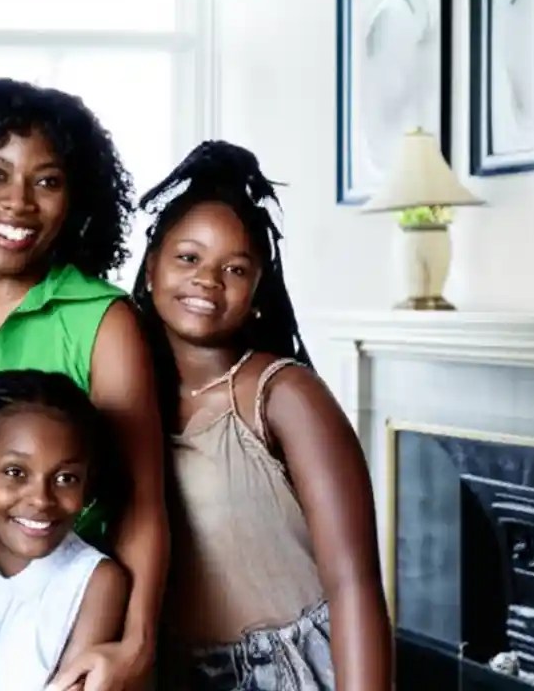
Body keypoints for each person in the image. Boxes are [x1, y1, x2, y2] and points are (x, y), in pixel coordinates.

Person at [0, 78, 167, 689]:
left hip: (63, 627)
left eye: (47, 181)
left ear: (75, 200)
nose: (18, 202)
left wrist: (136, 643)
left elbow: (142, 502)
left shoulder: (102, 319)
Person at [130, 141, 391, 689]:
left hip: (294, 669)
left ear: (256, 294)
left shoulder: (283, 395)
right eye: (188, 257)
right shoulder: (131, 397)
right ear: (152, 267)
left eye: (235, 267)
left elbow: (356, 584)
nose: (208, 279)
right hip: (176, 670)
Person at [0, 370, 129, 691]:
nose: (40, 499)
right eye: (16, 472)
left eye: (66, 478)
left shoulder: (95, 582)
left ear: (87, 483)